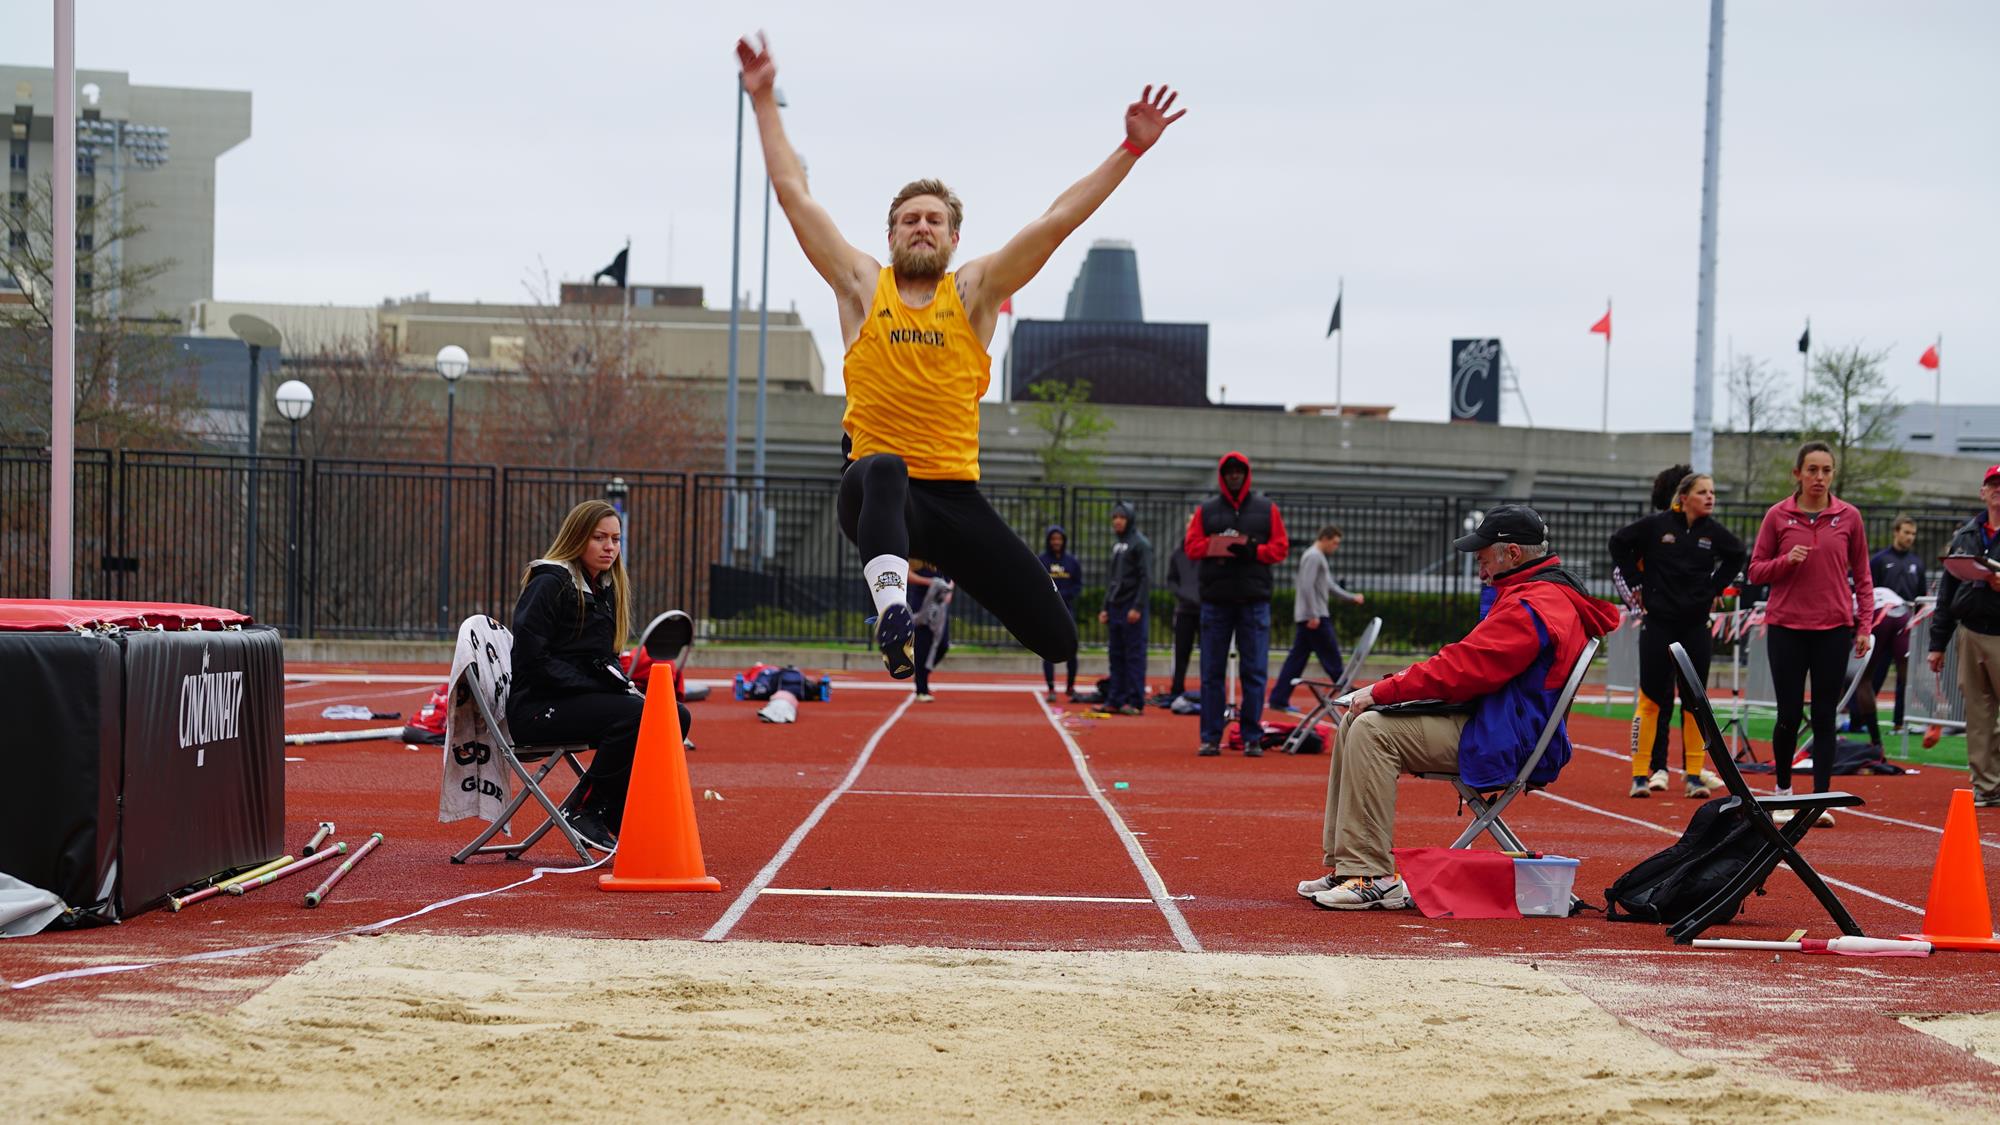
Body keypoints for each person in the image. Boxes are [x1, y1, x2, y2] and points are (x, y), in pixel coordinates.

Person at [736, 34, 1183, 681]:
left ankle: (943, 580)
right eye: (910, 218)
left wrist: (1131, 149)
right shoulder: (863, 287)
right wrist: (763, 101)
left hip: (954, 501)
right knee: (884, 466)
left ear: (953, 236)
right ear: (890, 235)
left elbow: (1056, 221)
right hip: (875, 494)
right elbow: (794, 197)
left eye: (934, 220)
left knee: (1057, 639)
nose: (922, 226)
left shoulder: (973, 292)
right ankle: (891, 612)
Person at [1295, 506, 1621, 909]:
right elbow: (1469, 665)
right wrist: (1392, 690)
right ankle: (1350, 867)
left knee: (1371, 730)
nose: (1480, 569)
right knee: (1354, 721)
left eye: (1484, 558)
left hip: (1506, 737)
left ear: (1513, 554)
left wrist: (1385, 690)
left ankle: (1371, 874)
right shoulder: (1537, 594)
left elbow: (1464, 668)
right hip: (1500, 723)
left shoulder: (1534, 605)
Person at [507, 500, 690, 851]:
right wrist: (598, 686)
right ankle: (586, 809)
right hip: (536, 709)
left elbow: (596, 660)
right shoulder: (550, 583)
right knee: (636, 716)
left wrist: (620, 684)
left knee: (673, 715)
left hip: (570, 699)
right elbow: (532, 660)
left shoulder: (602, 588)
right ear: (577, 538)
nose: (610, 547)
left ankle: (618, 812)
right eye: (599, 538)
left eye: (616, 539)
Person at [1607, 466, 1746, 799]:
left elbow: (1737, 555)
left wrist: (1716, 585)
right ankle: (1641, 774)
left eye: (1712, 492)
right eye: (1703, 492)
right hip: (1659, 623)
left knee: (1695, 703)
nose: (1710, 497)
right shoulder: (1657, 526)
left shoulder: (1713, 532)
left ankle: (1694, 776)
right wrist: (1637, 581)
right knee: (1651, 699)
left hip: (1695, 625)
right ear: (1684, 499)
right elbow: (1618, 543)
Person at [1746, 441, 1872, 806]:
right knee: (1788, 713)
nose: (1819, 477)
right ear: (1797, 474)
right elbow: (1755, 571)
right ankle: (1783, 791)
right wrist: (1785, 561)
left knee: (1824, 716)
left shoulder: (1849, 517)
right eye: (1812, 470)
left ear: (1833, 474)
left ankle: (1819, 799)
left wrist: (1864, 626)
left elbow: (1863, 577)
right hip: (1786, 627)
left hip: (1832, 628)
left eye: (1826, 470)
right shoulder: (1777, 516)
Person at [1184, 452, 1290, 757]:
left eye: (1238, 471)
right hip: (1216, 601)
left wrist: (1253, 550)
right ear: (1222, 475)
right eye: (1228, 471)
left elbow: (1280, 548)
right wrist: (1215, 544)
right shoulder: (1207, 510)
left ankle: (1251, 737)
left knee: (1254, 671)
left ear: (1245, 475)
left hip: (1253, 600)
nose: (1233, 476)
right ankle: (1210, 737)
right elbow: (1191, 546)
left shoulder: (1266, 509)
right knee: (1211, 672)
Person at [1927, 465, 2000, 808]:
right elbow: (1946, 593)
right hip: (1970, 633)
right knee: (1978, 714)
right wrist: (1937, 644)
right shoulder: (1966, 535)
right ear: (1982, 492)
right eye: (1992, 484)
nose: (1997, 490)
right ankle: (1987, 786)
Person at [1270, 525, 1365, 714]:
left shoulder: (1316, 556)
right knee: (1333, 659)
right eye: (1335, 543)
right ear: (1326, 538)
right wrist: (1313, 614)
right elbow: (1306, 586)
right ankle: (1351, 696)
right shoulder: (1314, 556)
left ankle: (1278, 698)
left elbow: (1328, 585)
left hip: (1311, 616)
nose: (1336, 547)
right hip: (1315, 617)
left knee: (1297, 660)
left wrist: (1350, 597)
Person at [1850, 514, 1925, 739]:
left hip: (1905, 624)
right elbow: (1865, 588)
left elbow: (1921, 596)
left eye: (1913, 534)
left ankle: (1900, 722)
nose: (1910, 537)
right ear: (1896, 532)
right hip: (1880, 623)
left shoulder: (1917, 563)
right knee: (1872, 672)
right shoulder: (1880, 560)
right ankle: (1857, 720)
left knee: (1906, 674)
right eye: (1906, 532)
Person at [1099, 502, 1151, 715]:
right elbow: (1113, 579)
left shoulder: (1140, 544)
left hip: (1131, 607)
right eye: (1115, 517)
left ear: (1130, 519)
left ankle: (1135, 700)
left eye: (1121, 517)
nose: (1117, 521)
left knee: (1134, 656)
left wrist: (1137, 606)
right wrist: (1105, 606)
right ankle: (1115, 698)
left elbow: (1145, 578)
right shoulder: (1118, 545)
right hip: (1116, 607)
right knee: (1116, 654)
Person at [1153, 536, 1203, 706]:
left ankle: (1209, 691)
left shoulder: (1207, 552)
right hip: (1184, 610)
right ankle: (1177, 689)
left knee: (1209, 654)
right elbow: (1171, 580)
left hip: (1205, 611)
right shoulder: (1178, 554)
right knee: (1181, 652)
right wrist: (1182, 594)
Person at [1039, 526, 1083, 702]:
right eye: (1053, 539)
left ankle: (1071, 686)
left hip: (1067, 610)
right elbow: (1038, 583)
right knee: (1048, 649)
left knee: (1071, 648)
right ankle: (1051, 688)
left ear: (1064, 541)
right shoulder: (1041, 560)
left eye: (1059, 539)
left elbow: (1078, 585)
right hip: (1048, 611)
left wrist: (1065, 595)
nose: (1056, 542)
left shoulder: (1072, 562)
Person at [910, 561, 950, 703]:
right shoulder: (916, 556)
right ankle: (922, 689)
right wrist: (928, 582)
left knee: (943, 645)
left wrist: (949, 589)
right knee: (922, 647)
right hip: (922, 604)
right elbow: (906, 574)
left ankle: (922, 673)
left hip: (939, 604)